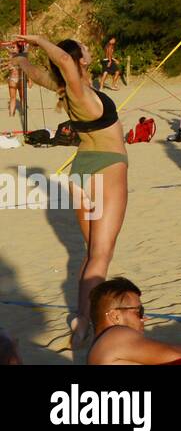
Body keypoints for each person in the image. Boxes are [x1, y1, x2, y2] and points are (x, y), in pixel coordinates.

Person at [9, 35, 128, 347]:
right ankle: (87, 322)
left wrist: (21, 60)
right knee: (101, 256)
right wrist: (36, 40)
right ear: (81, 61)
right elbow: (62, 61)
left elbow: (39, 74)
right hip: (106, 168)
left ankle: (81, 316)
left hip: (83, 171)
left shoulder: (69, 89)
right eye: (85, 50)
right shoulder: (77, 89)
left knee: (93, 256)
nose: (89, 50)